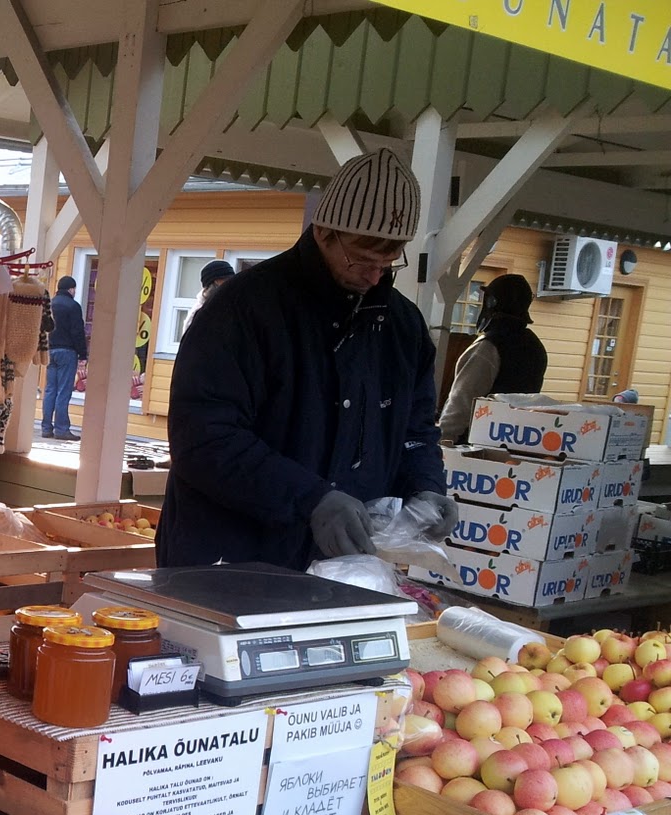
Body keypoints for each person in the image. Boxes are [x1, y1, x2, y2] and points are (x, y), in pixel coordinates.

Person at [158, 146, 454, 570]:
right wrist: (309, 498)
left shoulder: (401, 327)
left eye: (389, 263)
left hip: (344, 567)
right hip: (230, 561)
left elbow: (417, 429)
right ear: (322, 232)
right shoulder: (242, 310)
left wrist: (426, 488)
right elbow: (203, 438)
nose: (374, 276)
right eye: (362, 259)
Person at [438, 273, 547, 444]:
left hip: (472, 444)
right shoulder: (535, 346)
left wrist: (443, 441)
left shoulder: (489, 346)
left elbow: (462, 401)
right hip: (514, 440)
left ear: (492, 302)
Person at [42, 276, 88, 441]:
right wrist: (83, 354)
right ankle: (61, 429)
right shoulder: (73, 306)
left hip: (50, 350)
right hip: (67, 352)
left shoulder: (50, 304)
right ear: (71, 289)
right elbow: (77, 332)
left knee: (49, 390)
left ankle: (46, 427)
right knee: (63, 391)